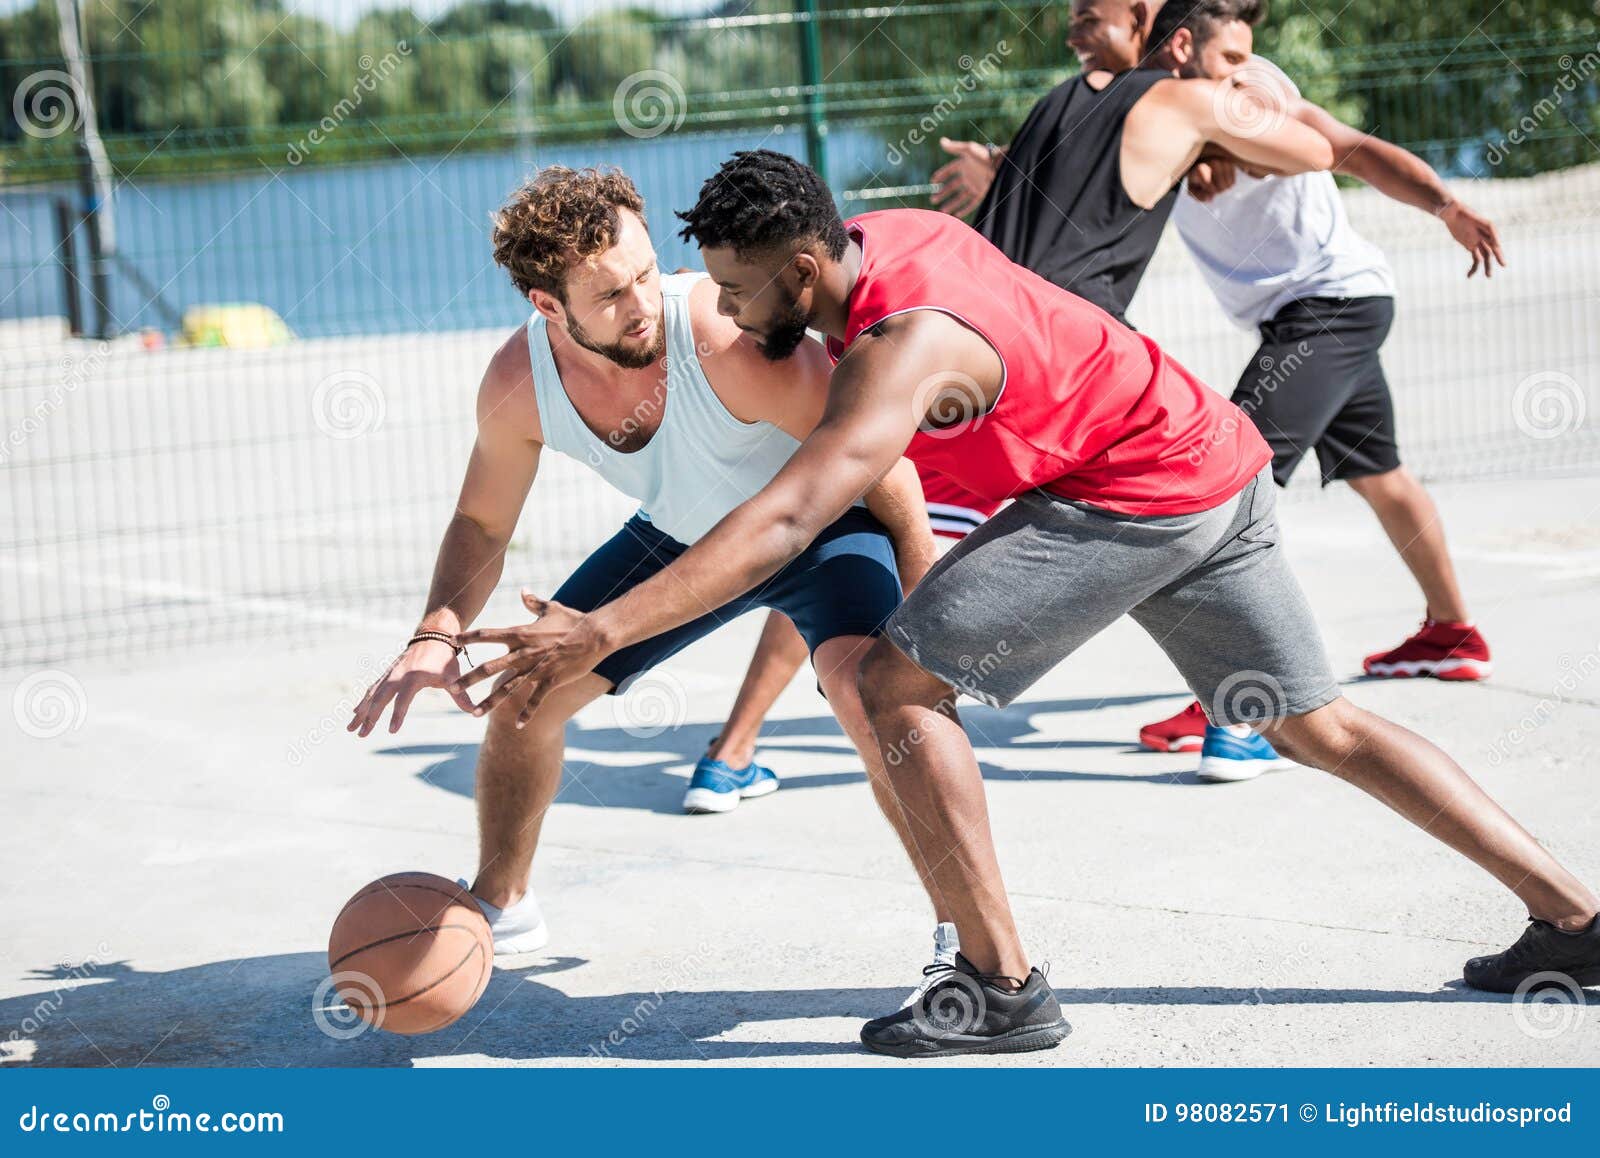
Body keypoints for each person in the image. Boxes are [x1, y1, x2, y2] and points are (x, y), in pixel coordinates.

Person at [450, 150, 1600, 1058]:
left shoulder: (893, 349)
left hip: (1132, 496)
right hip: (1210, 452)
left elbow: (792, 519)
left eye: (741, 291)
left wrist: (602, 629)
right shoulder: (892, 237)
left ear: (803, 269)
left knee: (894, 681)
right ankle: (1577, 923)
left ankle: (999, 987)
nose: (729, 315)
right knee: (1315, 724)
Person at [346, 165, 940, 957]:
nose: (641, 305)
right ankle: (500, 903)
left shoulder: (725, 338)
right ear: (547, 306)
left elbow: (884, 467)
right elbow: (482, 521)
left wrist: (928, 599)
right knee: (526, 697)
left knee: (879, 710)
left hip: (823, 531)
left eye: (647, 273)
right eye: (610, 296)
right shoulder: (520, 381)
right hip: (682, 535)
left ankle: (965, 939)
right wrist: (436, 630)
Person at [934, 0, 1505, 776]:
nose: (1243, 68)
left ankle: (1237, 708)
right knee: (1382, 477)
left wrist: (1447, 204)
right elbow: (1084, 175)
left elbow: (1348, 148)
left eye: (1245, 56)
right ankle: (1451, 634)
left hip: (1327, 306)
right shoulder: (1157, 109)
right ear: (1178, 45)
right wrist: (998, 166)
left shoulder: (1249, 91)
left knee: (1212, 481)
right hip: (1314, 310)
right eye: (1228, 55)